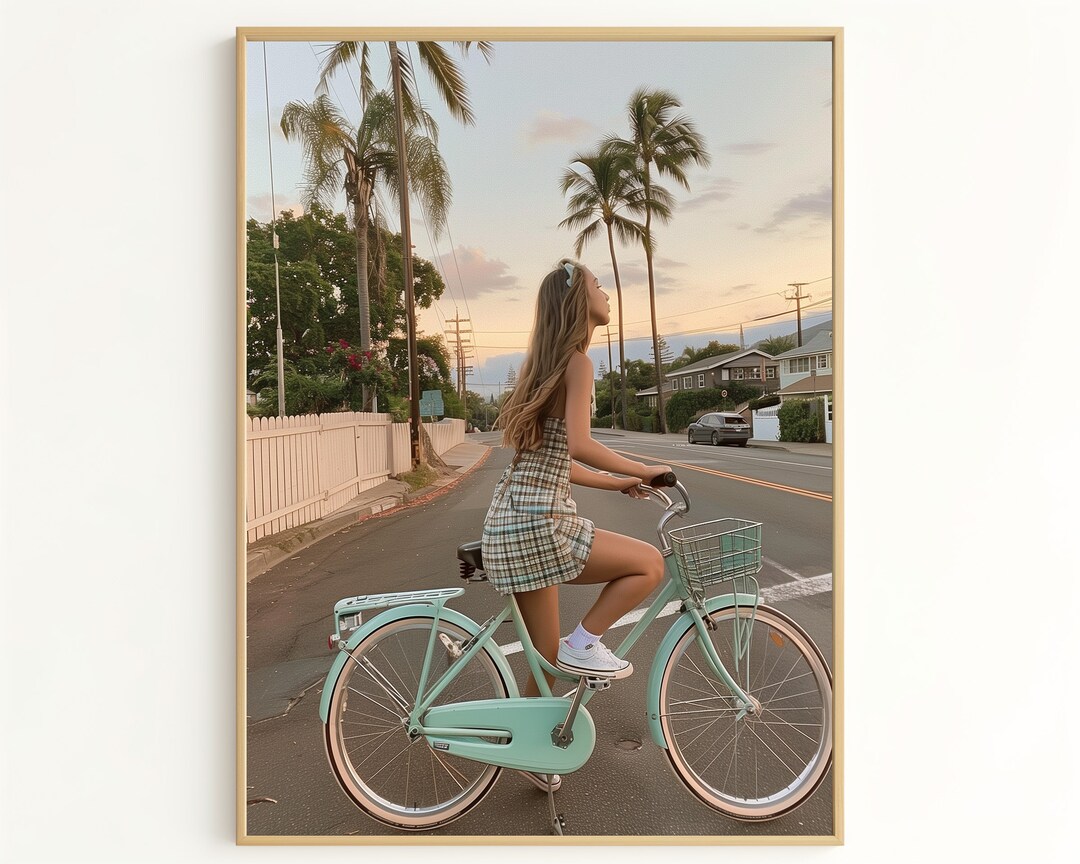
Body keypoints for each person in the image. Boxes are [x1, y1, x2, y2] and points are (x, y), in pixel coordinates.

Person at [481, 259, 671, 792]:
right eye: (597, 284)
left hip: (510, 522)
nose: (606, 292)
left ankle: (530, 751)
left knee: (543, 664)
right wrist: (646, 469)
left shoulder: (546, 367)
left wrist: (620, 485)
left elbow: (562, 461)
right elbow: (584, 445)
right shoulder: (579, 363)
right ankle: (586, 641)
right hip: (541, 522)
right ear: (577, 300)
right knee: (649, 563)